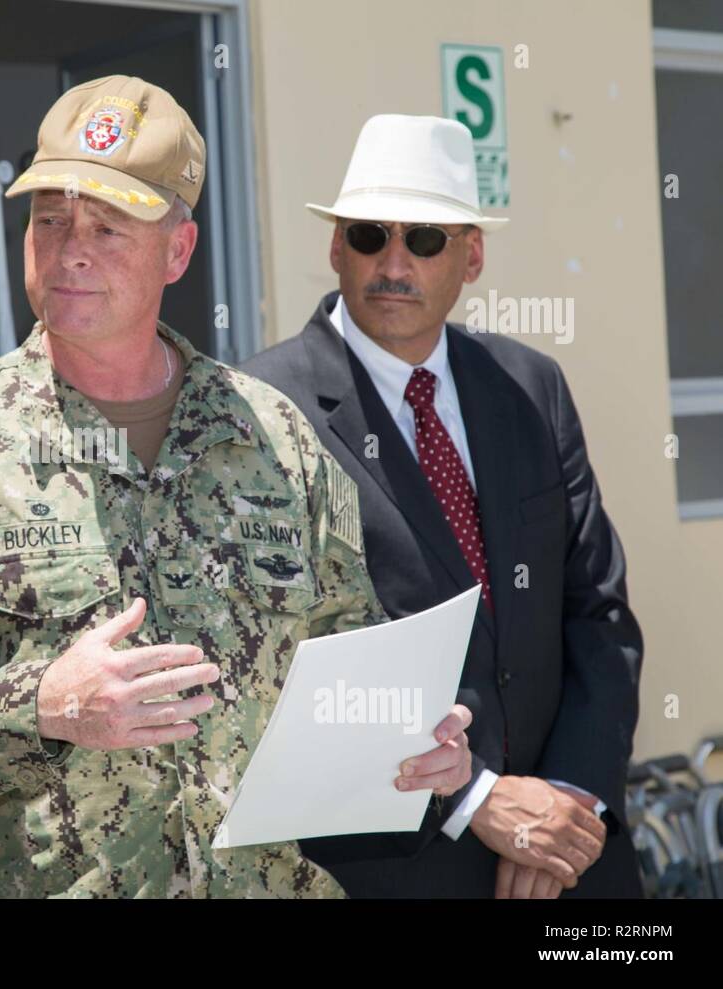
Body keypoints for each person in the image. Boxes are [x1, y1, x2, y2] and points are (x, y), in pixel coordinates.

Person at [0, 77, 473, 898]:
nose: (71, 248)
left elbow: (348, 655)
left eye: (108, 226)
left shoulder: (275, 438)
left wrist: (411, 737)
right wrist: (42, 702)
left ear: (178, 250)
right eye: (51, 219)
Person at [240, 114, 643, 898]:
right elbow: (278, 666)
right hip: (394, 869)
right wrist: (478, 800)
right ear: (335, 248)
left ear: (473, 254)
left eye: (424, 238)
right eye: (367, 235)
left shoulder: (531, 387)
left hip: (568, 861)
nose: (393, 263)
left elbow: (598, 613)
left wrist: (566, 798)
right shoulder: (258, 412)